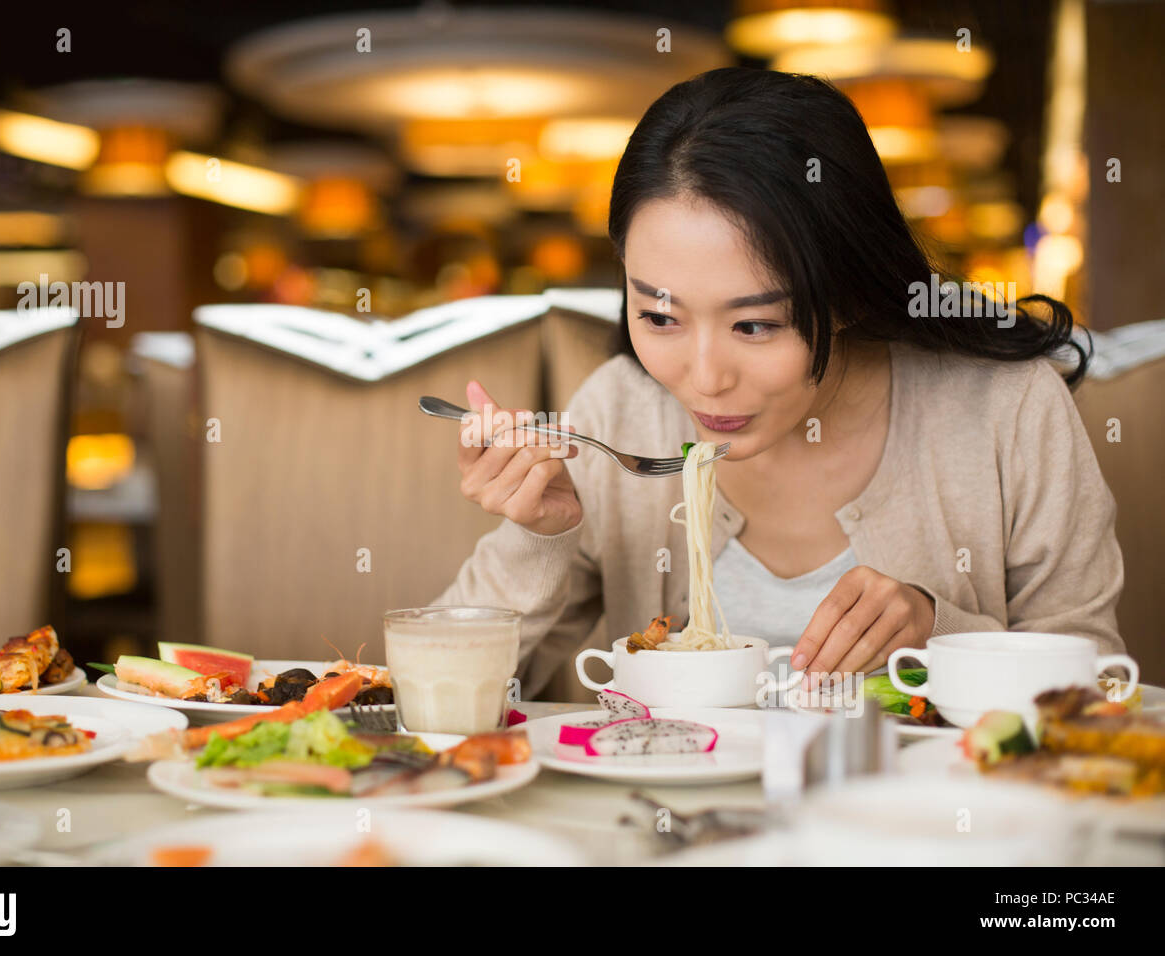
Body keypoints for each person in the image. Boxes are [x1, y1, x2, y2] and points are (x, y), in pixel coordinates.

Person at [431, 68, 1124, 700]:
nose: (703, 379)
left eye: (755, 325)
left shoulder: (1006, 409)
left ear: (849, 293)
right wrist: (537, 537)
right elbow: (443, 692)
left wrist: (940, 634)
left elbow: (1094, 689)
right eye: (660, 316)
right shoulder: (620, 413)